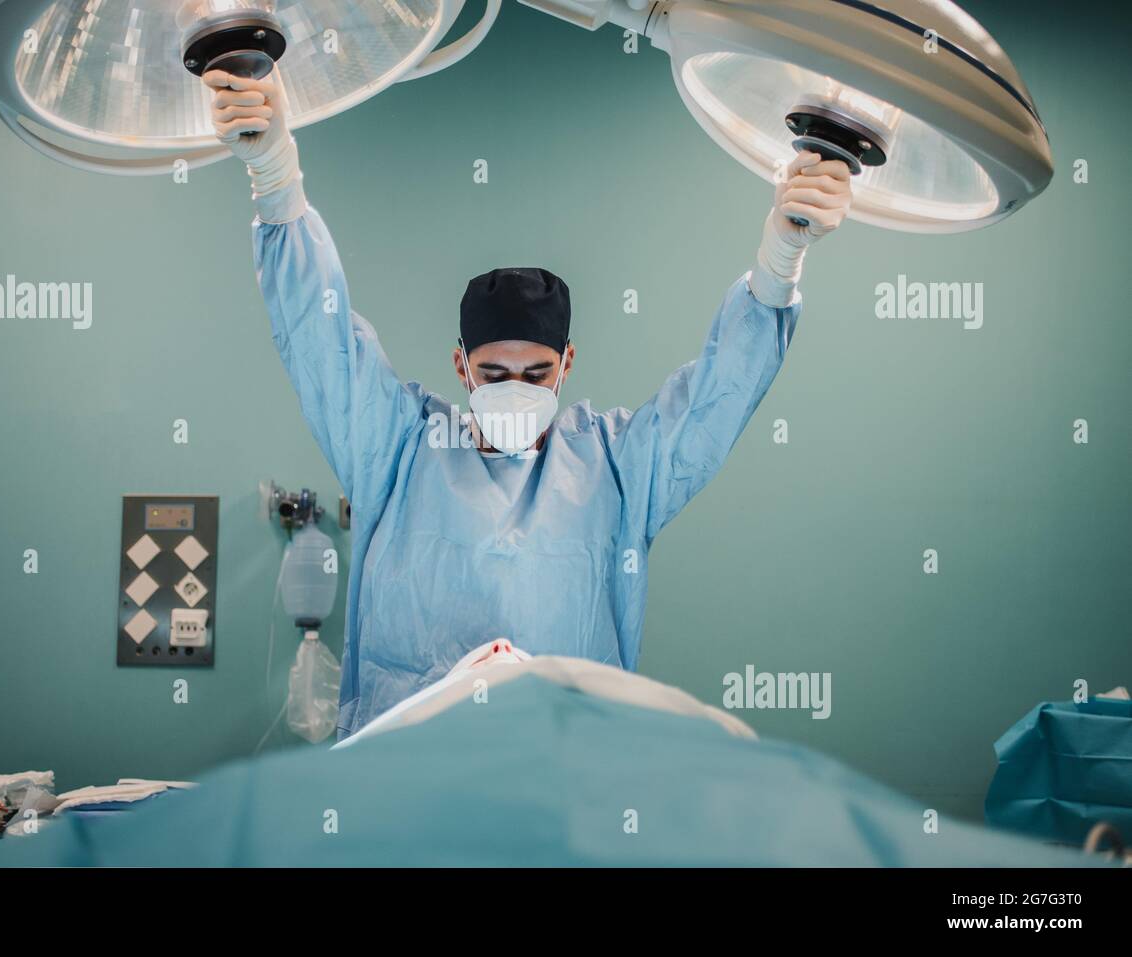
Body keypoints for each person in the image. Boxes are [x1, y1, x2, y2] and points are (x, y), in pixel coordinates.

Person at [204, 70, 853, 740]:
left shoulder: (617, 467)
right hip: (409, 783)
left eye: (536, 373)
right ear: (461, 366)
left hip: (565, 784)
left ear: (567, 364)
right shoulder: (400, 452)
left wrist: (780, 259)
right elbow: (323, 342)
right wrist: (276, 178)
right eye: (493, 372)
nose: (515, 387)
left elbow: (717, 397)